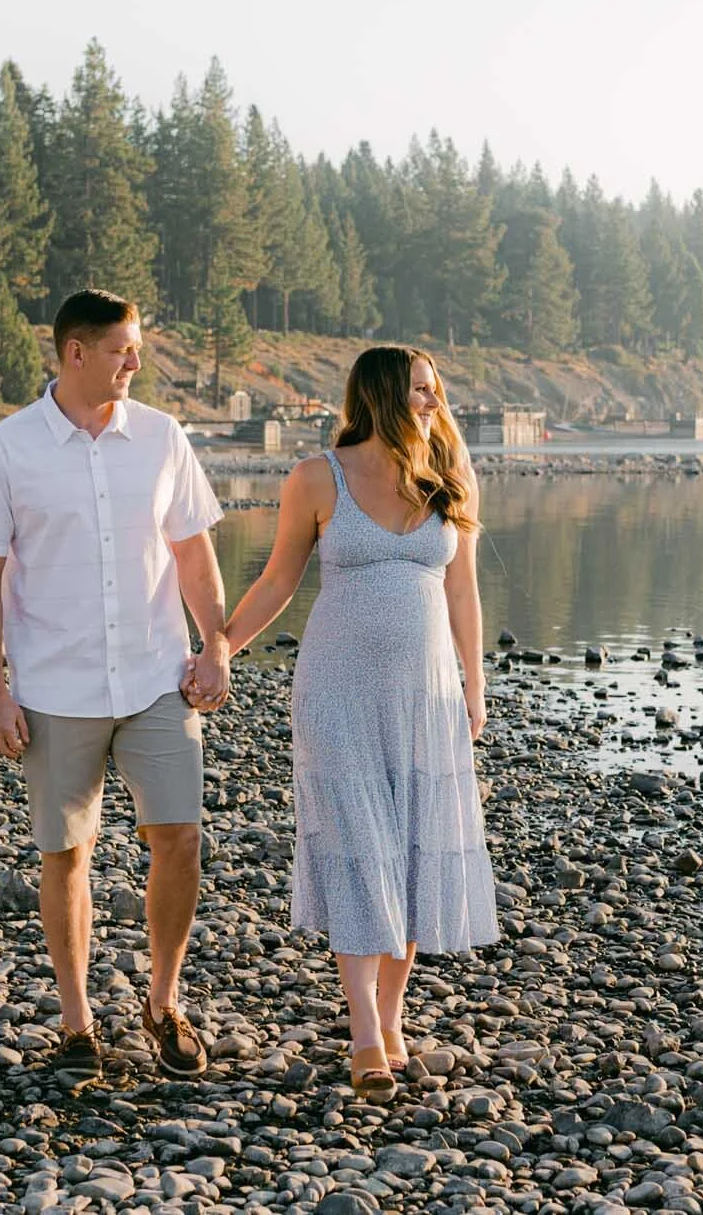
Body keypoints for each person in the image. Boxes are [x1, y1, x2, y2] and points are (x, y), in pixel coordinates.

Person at [0, 289, 231, 1087]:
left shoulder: (162, 438)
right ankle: (77, 1026)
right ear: (74, 353)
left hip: (155, 677)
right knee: (65, 852)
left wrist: (214, 645)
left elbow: (193, 553)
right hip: (52, 685)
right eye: (122, 350)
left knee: (178, 837)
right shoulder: (6, 449)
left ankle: (162, 1004)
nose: (136, 362)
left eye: (136, 348)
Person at [222, 345, 498, 1101]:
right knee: (359, 850)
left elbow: (463, 595)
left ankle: (391, 1015)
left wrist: (474, 687)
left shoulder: (447, 479)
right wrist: (219, 647)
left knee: (411, 848)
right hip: (337, 690)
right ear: (378, 392)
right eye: (418, 390)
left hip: (426, 693)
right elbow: (279, 576)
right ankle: (364, 1033)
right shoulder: (318, 477)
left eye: (434, 390)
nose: (430, 403)